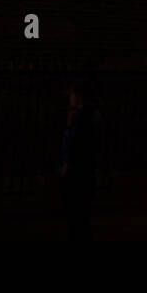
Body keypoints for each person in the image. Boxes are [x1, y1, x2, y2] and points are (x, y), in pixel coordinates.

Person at [60, 79, 100, 240]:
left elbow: (75, 143)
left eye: (72, 95)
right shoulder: (89, 115)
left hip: (77, 170)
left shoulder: (82, 117)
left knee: (76, 213)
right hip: (83, 169)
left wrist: (67, 164)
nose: (70, 98)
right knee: (80, 214)